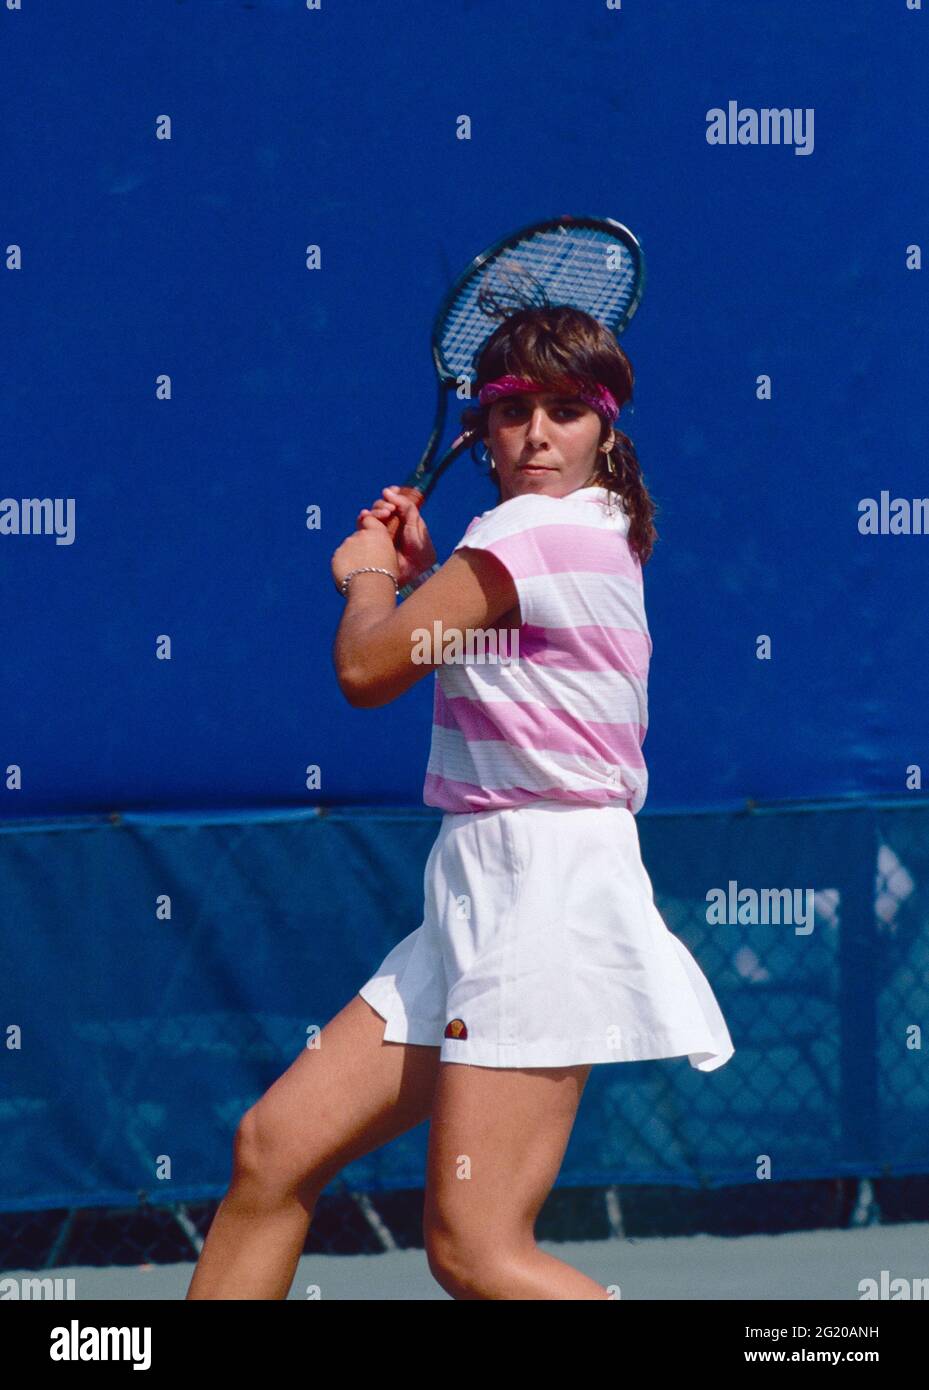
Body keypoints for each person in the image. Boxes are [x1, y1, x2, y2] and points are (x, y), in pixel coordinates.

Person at [186, 305, 734, 1302]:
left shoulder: (531, 531)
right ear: (478, 429)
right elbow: (475, 639)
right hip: (480, 889)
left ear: (605, 432)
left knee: (476, 1249)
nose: (535, 433)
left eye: (566, 411)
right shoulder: (583, 537)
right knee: (272, 1151)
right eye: (513, 409)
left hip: (541, 893)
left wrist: (363, 581)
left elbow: (367, 667)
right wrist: (420, 577)